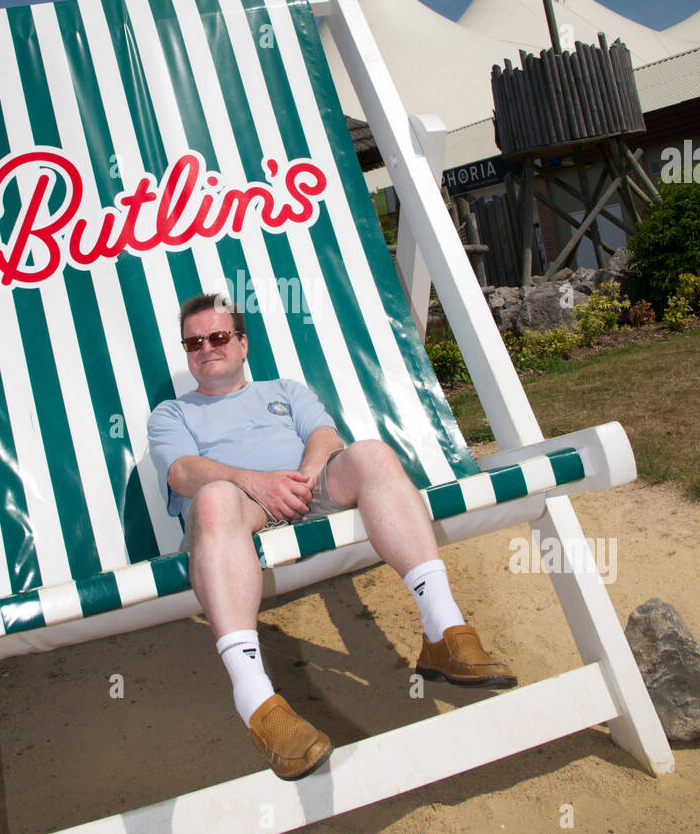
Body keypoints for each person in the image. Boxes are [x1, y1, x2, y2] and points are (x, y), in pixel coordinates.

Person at [147, 293, 516, 781]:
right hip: (237, 510)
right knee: (214, 496)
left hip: (307, 490)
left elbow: (325, 435)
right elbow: (181, 472)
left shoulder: (285, 389)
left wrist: (302, 478)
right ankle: (255, 700)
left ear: (242, 343)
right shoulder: (172, 413)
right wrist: (255, 482)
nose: (206, 348)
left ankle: (444, 631)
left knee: (372, 455)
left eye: (217, 336)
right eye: (193, 342)